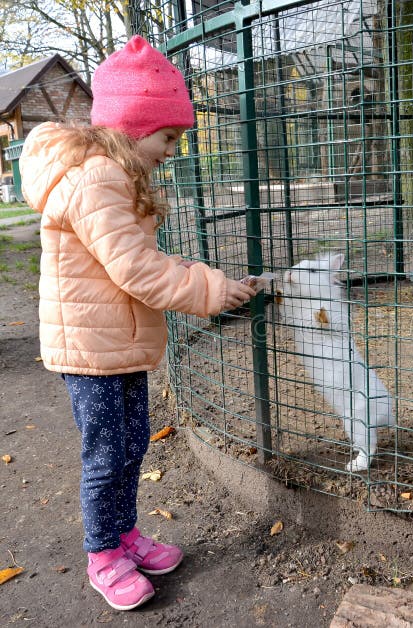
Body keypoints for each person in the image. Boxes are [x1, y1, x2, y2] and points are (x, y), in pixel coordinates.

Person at [18, 36, 257, 611]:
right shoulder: (97, 178)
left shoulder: (111, 176)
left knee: (128, 447)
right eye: (168, 136)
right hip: (91, 350)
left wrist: (202, 277)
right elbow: (136, 269)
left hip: (114, 343)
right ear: (131, 126)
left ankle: (124, 536)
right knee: (107, 454)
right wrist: (211, 290)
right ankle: (102, 554)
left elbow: (134, 262)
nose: (172, 150)